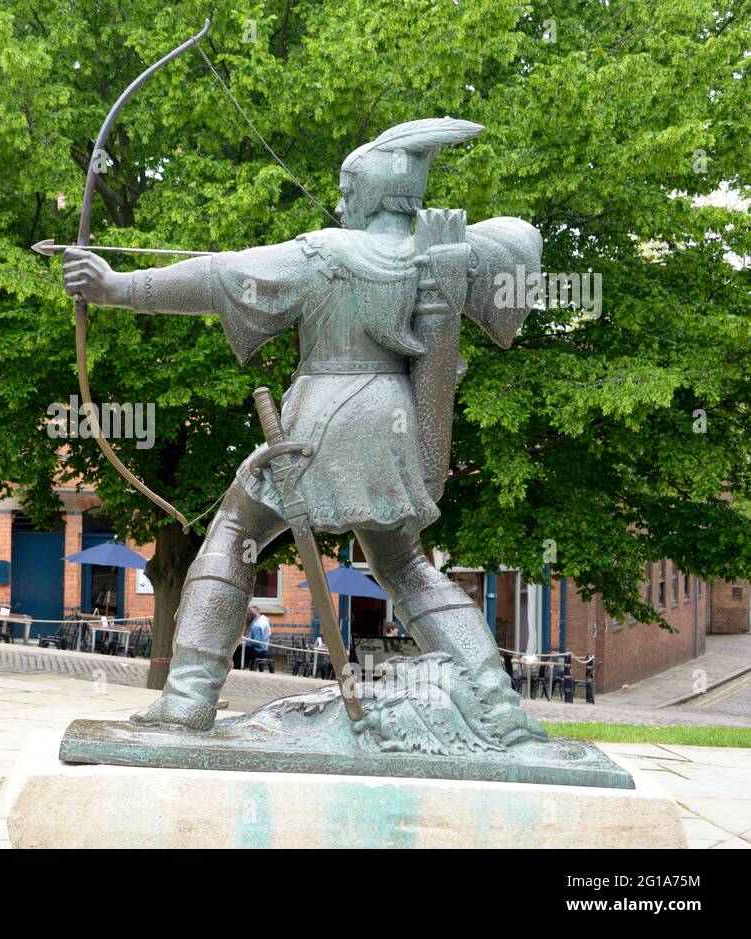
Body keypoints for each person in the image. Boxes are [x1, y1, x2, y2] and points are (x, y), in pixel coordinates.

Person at [63, 118, 545, 742]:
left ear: (370, 194)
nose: (340, 204)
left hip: (323, 416)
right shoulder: (442, 257)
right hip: (392, 423)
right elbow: (521, 242)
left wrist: (118, 287)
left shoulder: (325, 254)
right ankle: (494, 699)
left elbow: (221, 278)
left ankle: (187, 700)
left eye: (349, 192)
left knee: (235, 529)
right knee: (403, 562)